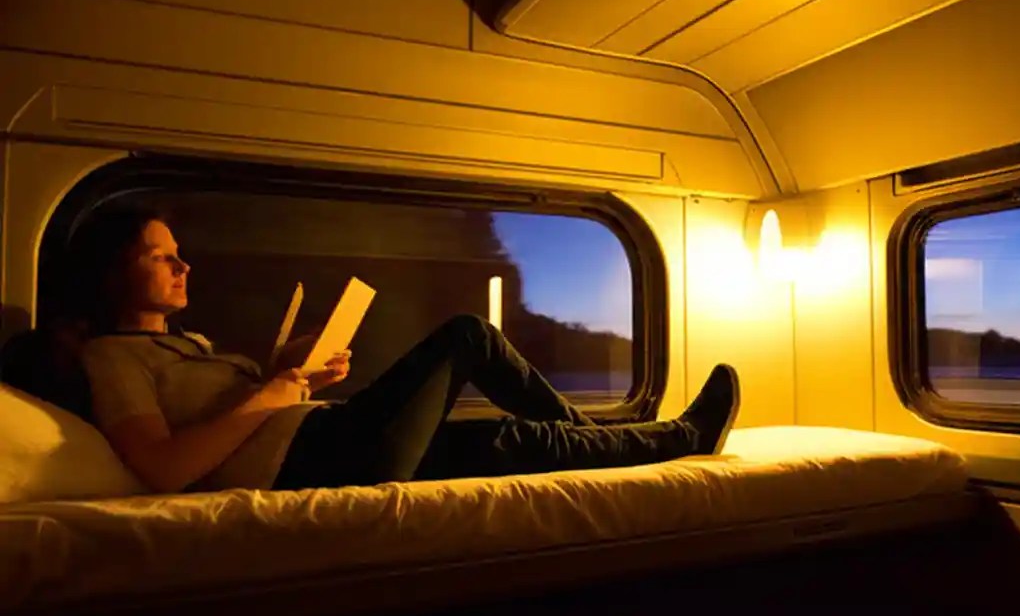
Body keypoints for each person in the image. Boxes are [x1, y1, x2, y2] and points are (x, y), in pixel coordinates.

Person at [62, 206, 740, 494]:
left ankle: (682, 437)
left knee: (511, 439)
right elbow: (161, 468)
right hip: (318, 461)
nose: (184, 267)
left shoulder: (190, 344)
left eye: (180, 255)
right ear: (114, 273)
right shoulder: (112, 359)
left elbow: (242, 417)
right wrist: (273, 393)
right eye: (163, 257)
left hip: (325, 438)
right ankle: (627, 433)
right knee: (468, 335)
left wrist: (295, 372)